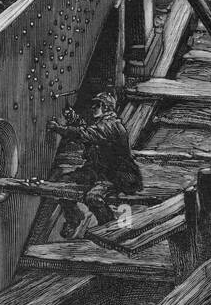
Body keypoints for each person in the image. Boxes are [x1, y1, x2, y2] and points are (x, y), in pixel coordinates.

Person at [46, 90, 143, 236]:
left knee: (93, 198)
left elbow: (85, 134)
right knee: (62, 183)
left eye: (96, 105)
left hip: (115, 175)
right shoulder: (104, 124)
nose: (93, 108)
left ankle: (109, 228)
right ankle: (74, 219)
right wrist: (74, 119)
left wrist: (58, 128)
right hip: (97, 170)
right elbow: (89, 131)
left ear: (105, 107)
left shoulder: (112, 126)